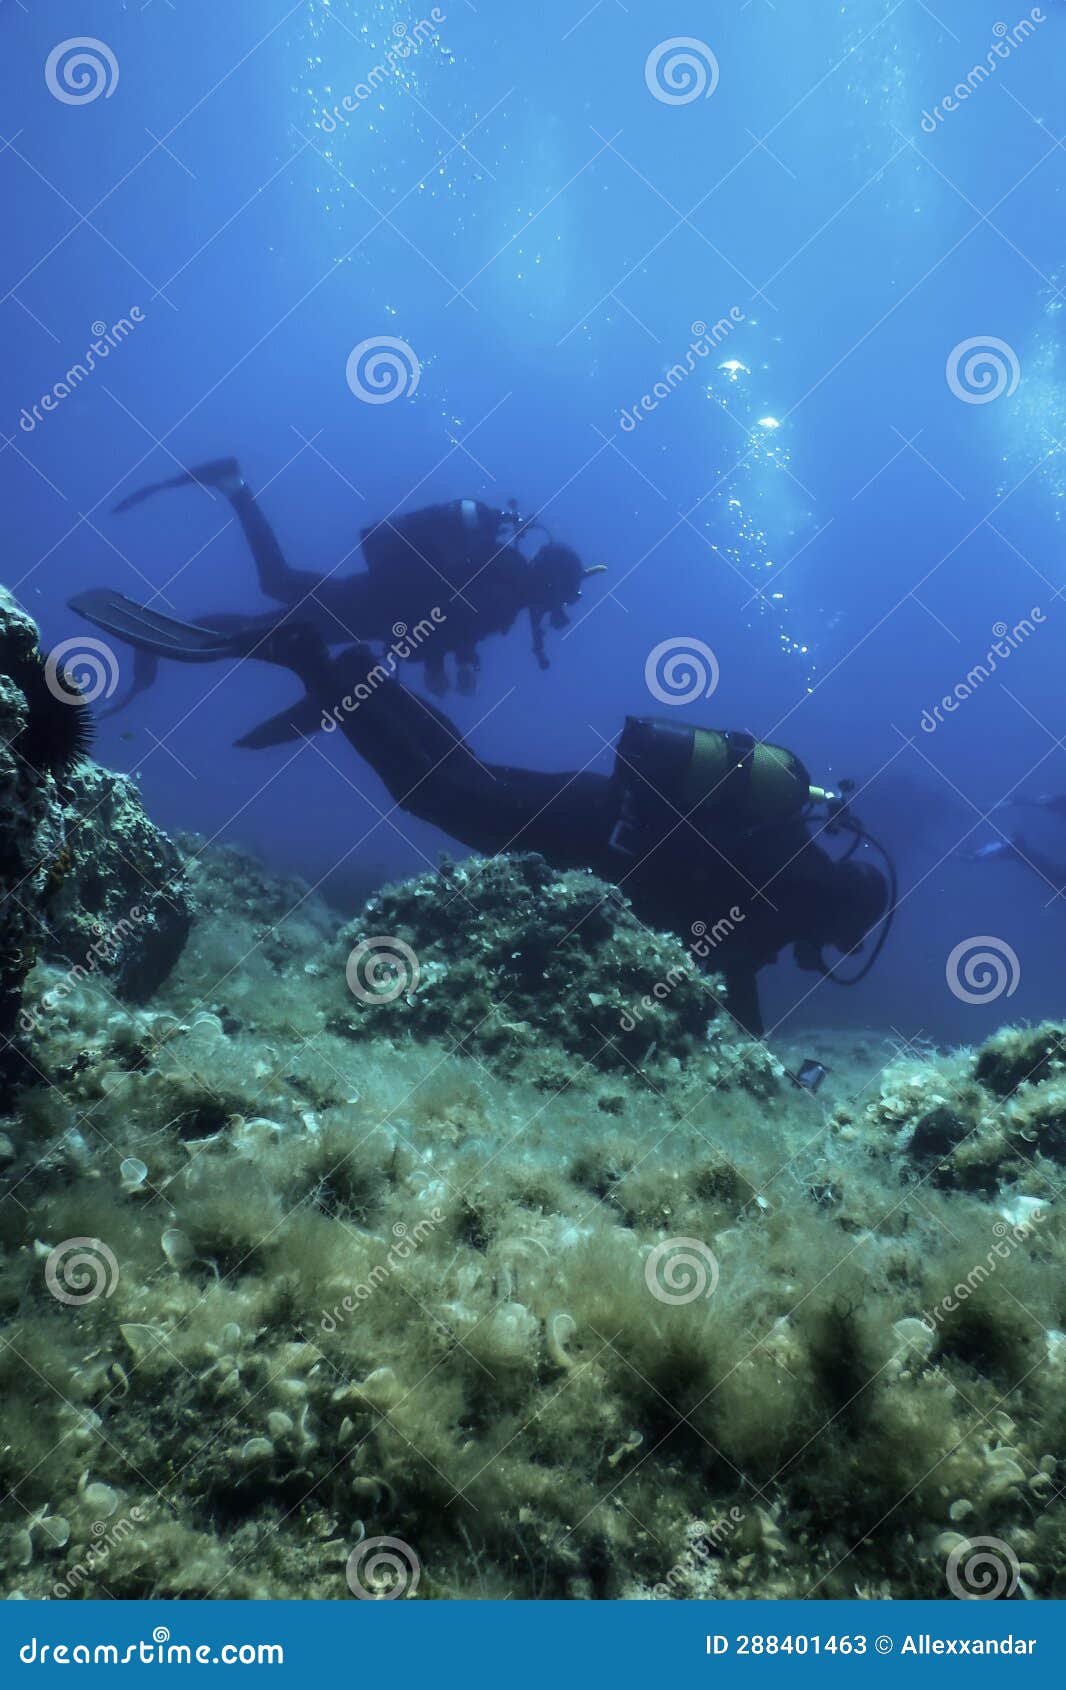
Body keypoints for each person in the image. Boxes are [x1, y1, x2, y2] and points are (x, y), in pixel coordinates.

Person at [65, 600, 892, 1036]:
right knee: (439, 792)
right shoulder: (787, 893)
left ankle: (351, 672)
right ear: (840, 915)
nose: (832, 956)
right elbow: (731, 970)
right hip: (591, 833)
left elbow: (725, 963)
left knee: (464, 779)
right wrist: (751, 1053)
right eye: (847, 941)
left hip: (598, 814)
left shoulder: (791, 861)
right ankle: (312, 656)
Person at [88, 458, 604, 720]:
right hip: (369, 608)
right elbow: (442, 624)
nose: (559, 610)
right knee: (261, 629)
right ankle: (232, 492)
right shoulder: (507, 590)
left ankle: (233, 489)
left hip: (373, 601)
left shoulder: (506, 570)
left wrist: (451, 658)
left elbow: (448, 611)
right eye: (565, 598)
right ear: (551, 584)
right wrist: (441, 663)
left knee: (273, 599)